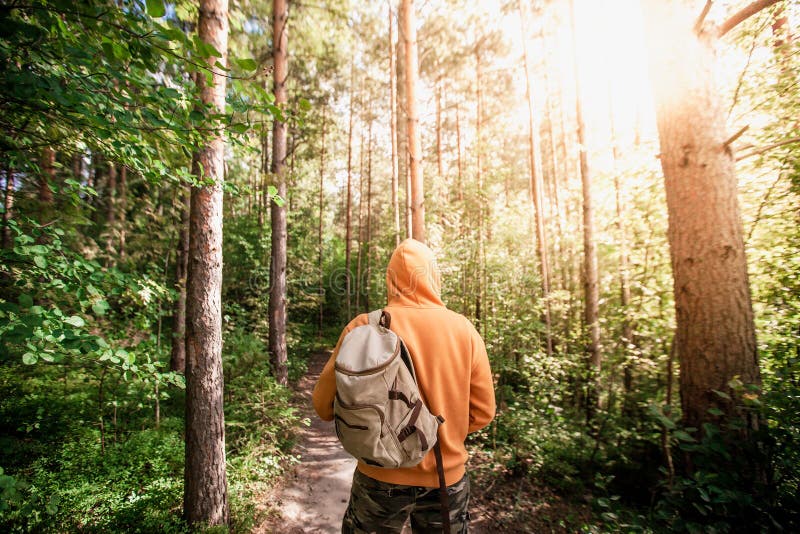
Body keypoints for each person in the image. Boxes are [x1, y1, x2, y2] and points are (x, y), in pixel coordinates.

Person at [312, 238, 496, 533]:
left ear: (391, 279)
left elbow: (323, 407)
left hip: (379, 477)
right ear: (434, 276)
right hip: (445, 479)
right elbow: (483, 414)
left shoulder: (364, 327)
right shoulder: (465, 330)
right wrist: (436, 432)